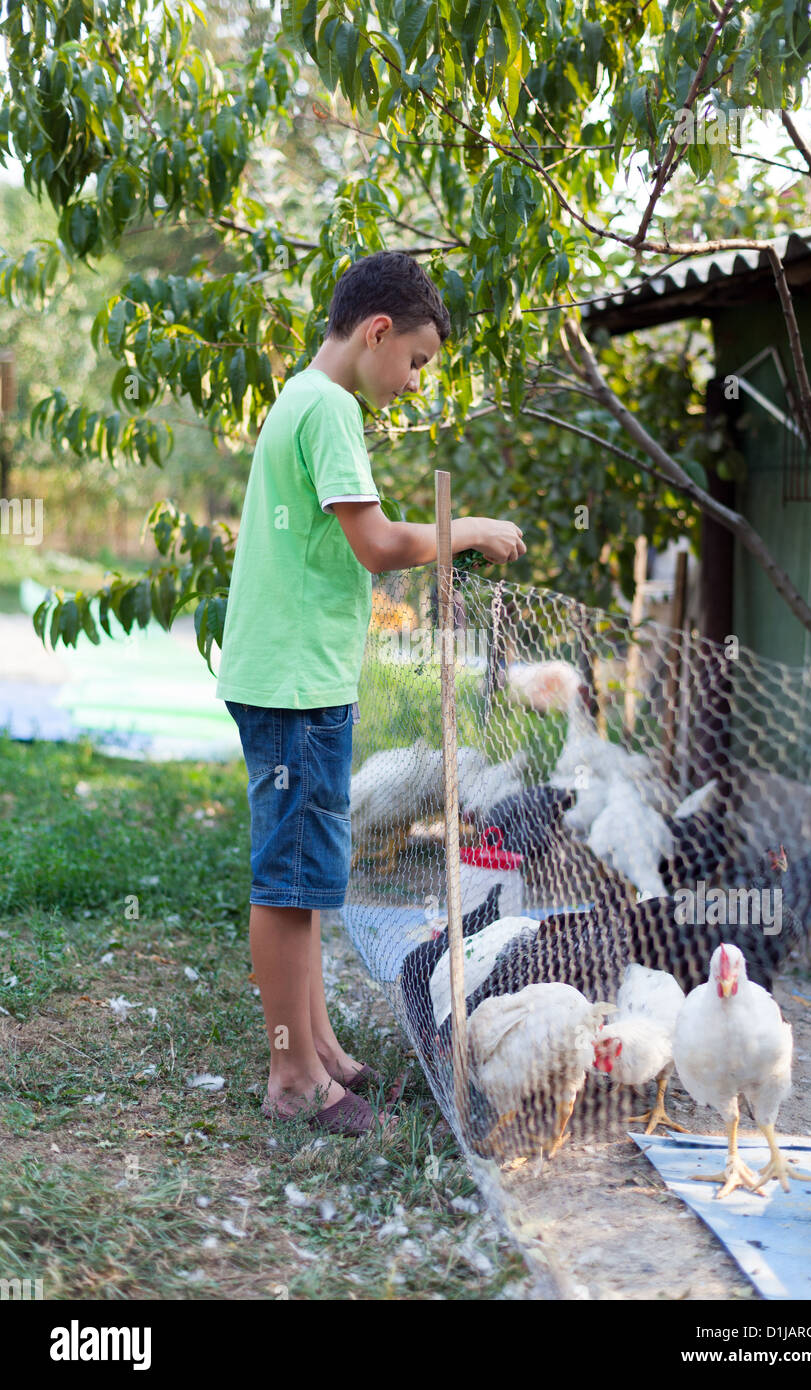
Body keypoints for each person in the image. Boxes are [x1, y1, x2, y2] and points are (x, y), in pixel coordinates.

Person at [216, 250, 526, 1135]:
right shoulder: (331, 411)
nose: (416, 382)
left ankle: (320, 1053)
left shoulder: (306, 400)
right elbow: (380, 545)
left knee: (310, 879)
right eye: (419, 362)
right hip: (294, 687)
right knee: (288, 885)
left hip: (293, 677)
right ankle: (291, 1077)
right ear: (379, 332)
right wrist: (472, 529)